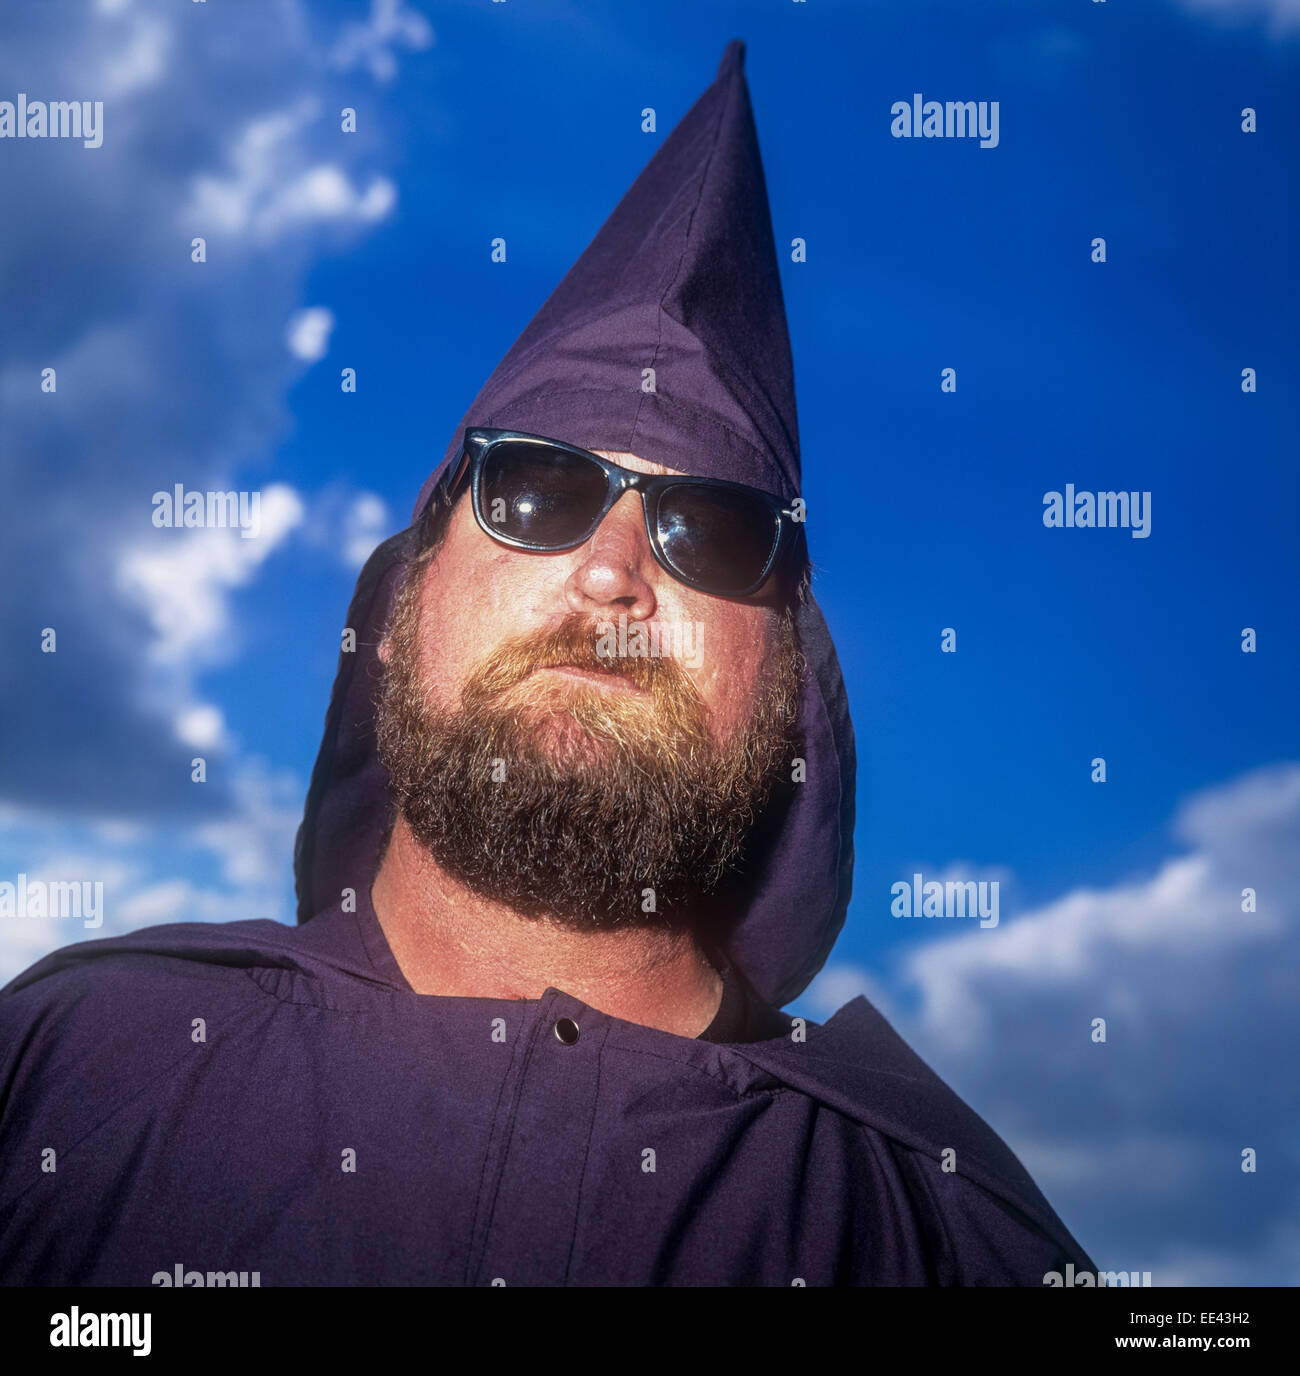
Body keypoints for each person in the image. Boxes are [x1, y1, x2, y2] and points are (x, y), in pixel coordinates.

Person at [0, 40, 1094, 1286]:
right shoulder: (56, 1072)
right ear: (406, 594)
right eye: (536, 487)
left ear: (787, 677)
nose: (614, 572)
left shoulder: (941, 1237)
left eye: (712, 530)